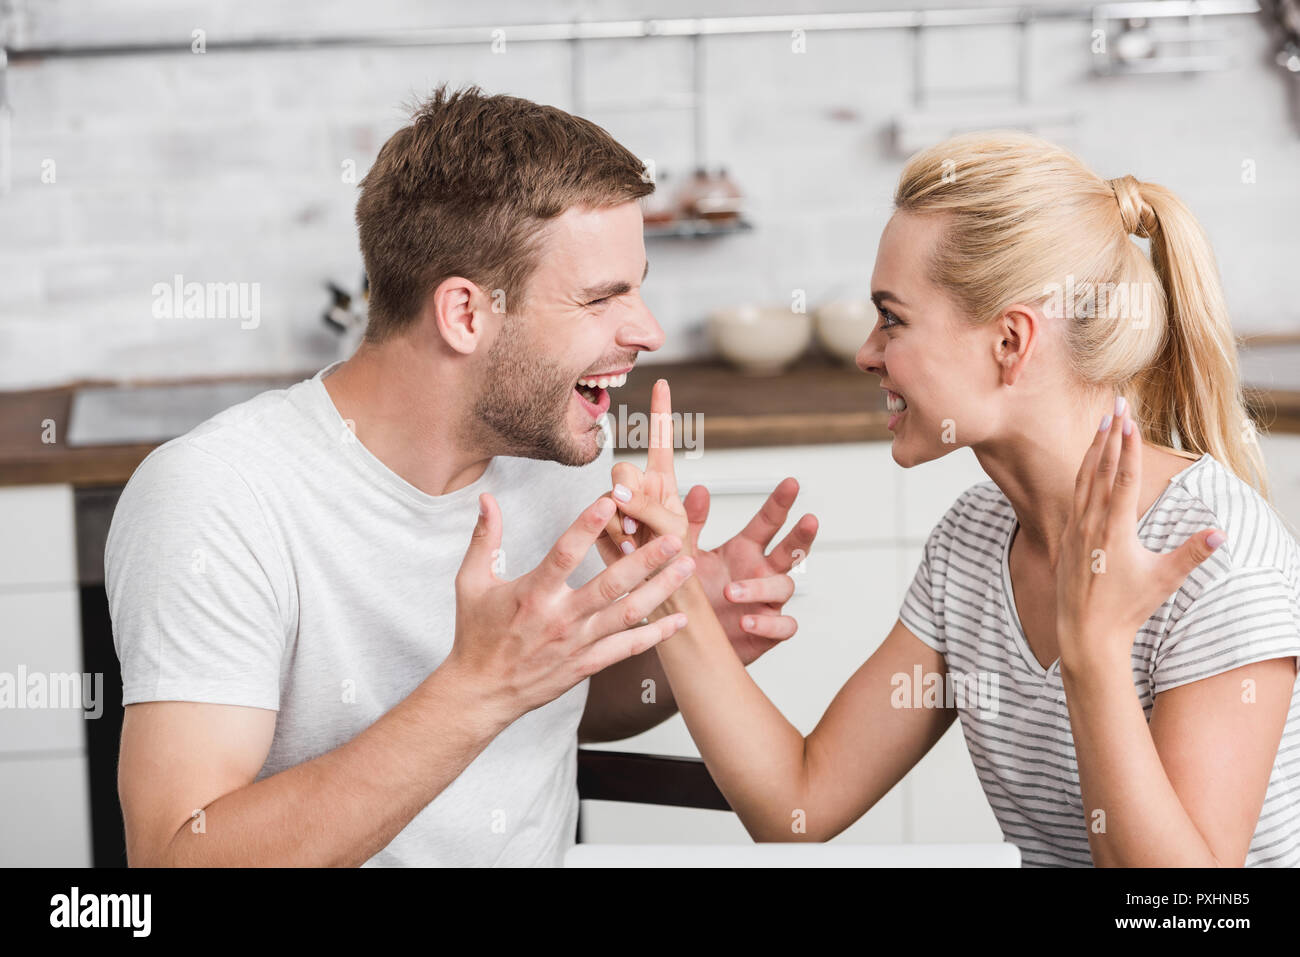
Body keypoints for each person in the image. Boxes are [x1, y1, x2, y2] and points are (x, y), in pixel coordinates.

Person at [107, 86, 817, 867]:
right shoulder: (217, 498)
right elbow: (173, 859)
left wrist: (679, 645)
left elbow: (552, 707)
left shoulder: (555, 453)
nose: (646, 330)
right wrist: (479, 687)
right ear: (466, 315)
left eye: (637, 286)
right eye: (601, 297)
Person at [606, 132, 1300, 867]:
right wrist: (671, 586)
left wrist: (1094, 652)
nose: (866, 352)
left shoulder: (1216, 558)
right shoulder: (972, 543)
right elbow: (797, 804)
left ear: (1010, 341)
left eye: (893, 317)